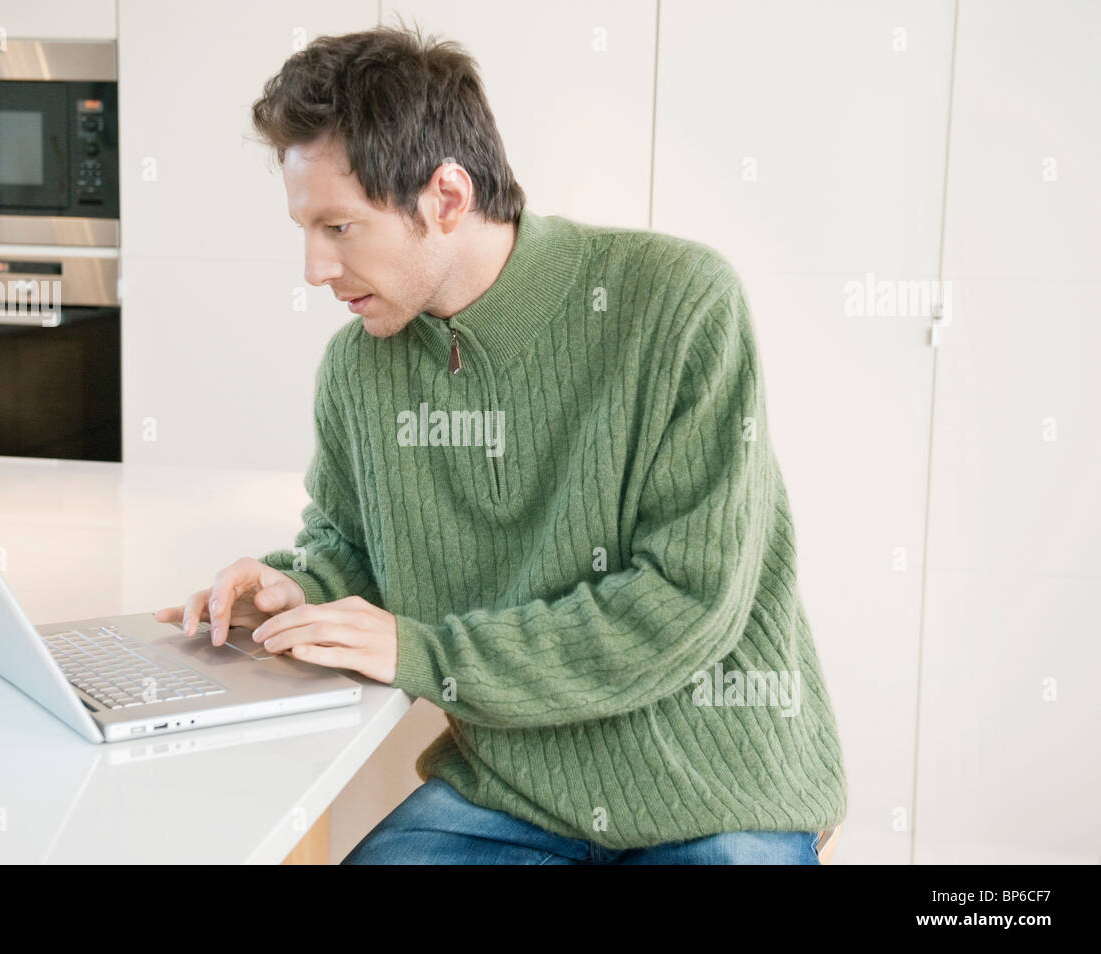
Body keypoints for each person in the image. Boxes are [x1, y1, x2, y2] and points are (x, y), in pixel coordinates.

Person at [154, 22, 847, 865]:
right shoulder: (358, 368)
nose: (313, 269)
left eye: (339, 229)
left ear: (446, 198)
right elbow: (356, 547)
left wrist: (431, 655)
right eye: (305, 229)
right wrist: (296, 587)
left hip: (715, 786)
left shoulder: (678, 304)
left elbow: (685, 601)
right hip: (514, 794)